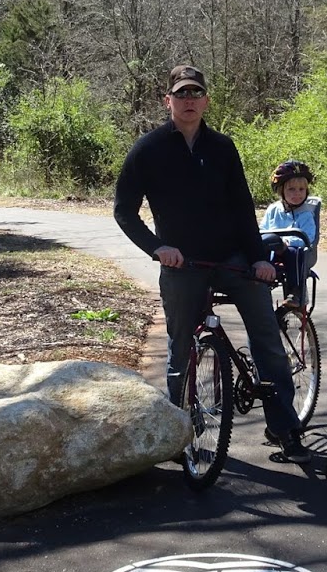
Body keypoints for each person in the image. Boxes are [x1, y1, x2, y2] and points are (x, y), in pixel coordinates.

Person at [113, 64, 312, 464]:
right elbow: (125, 212)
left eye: (196, 94)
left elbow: (242, 209)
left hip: (234, 259)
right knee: (179, 347)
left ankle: (285, 428)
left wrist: (258, 258)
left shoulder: (222, 148)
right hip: (182, 264)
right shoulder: (148, 150)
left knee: (267, 340)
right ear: (167, 100)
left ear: (205, 100)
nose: (189, 101)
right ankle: (179, 430)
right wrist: (157, 248)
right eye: (181, 95)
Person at [261, 159, 321, 313]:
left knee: (295, 252)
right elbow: (263, 229)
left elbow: (309, 236)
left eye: (301, 189)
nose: (297, 194)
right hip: (274, 250)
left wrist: (290, 241)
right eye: (292, 190)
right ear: (282, 191)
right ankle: (259, 285)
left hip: (294, 251)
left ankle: (295, 291)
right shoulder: (273, 210)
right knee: (262, 249)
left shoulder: (306, 213)